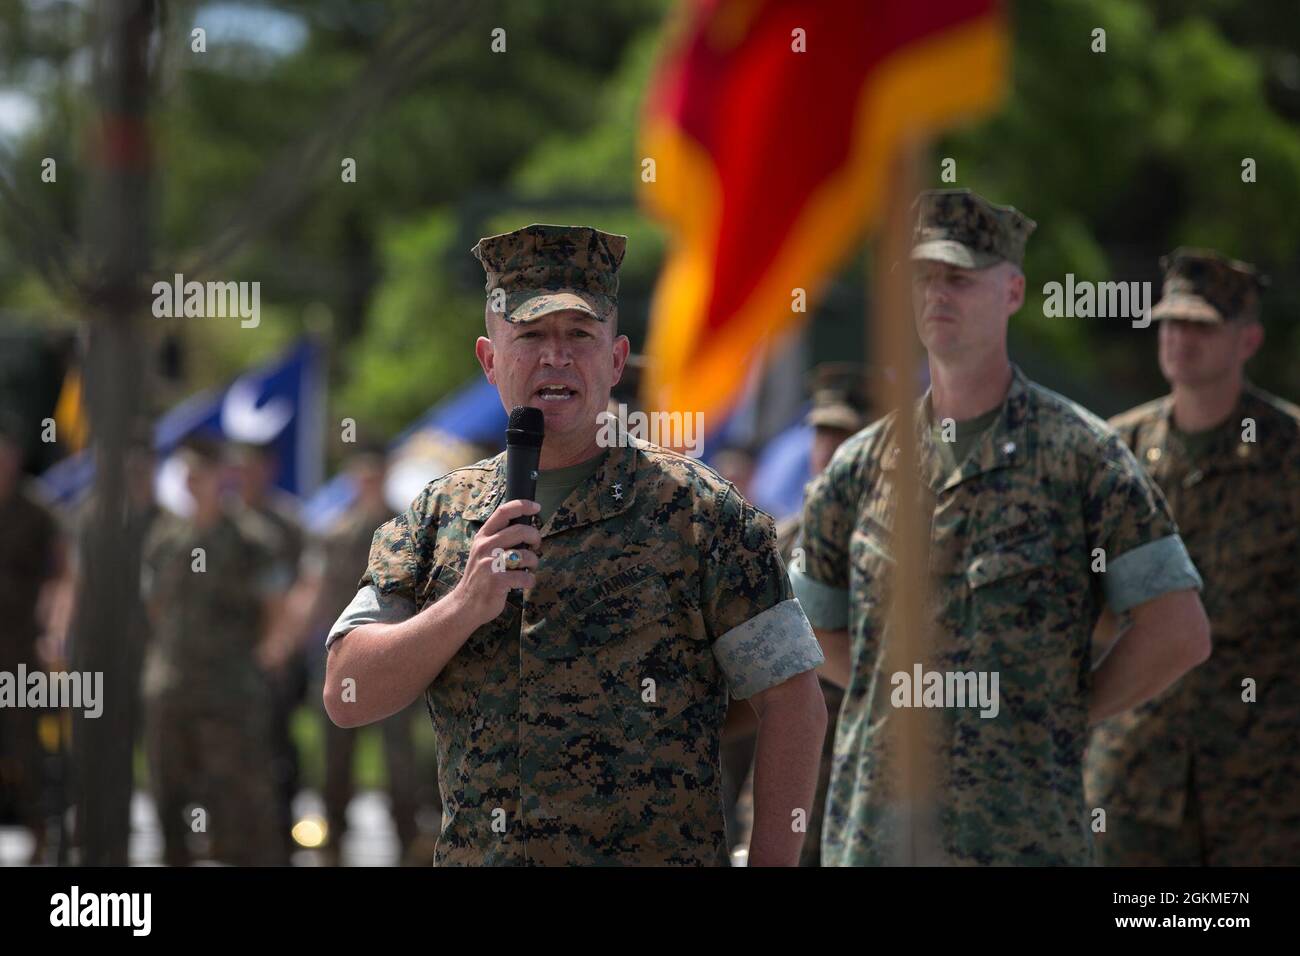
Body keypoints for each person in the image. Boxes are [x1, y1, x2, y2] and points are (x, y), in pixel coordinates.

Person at [324, 222, 827, 866]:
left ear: (615, 360)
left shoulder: (700, 514)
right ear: (489, 360)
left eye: (578, 336)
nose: (555, 358)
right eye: (530, 336)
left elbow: (793, 700)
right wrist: (463, 606)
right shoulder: (436, 516)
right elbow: (346, 694)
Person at [792, 189, 1212, 865]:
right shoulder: (862, 465)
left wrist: (1063, 715)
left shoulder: (1081, 455)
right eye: (924, 278)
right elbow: (813, 626)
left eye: (959, 278)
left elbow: (1178, 631)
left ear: (1012, 291)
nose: (938, 295)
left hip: (1023, 838)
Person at [1086, 248, 1300, 865]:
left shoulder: (1287, 452)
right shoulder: (1113, 450)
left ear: (1248, 339)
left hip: (1262, 781)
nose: (1180, 336)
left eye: (1202, 324)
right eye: (1171, 321)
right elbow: (1073, 594)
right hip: (1133, 773)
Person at [726, 363, 874, 865]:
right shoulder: (778, 541)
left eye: (848, 436)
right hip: (790, 783)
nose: (831, 452)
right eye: (823, 435)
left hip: (875, 780)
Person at [141, 434, 288, 865]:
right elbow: (154, 607)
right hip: (171, 683)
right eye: (187, 472)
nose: (193, 480)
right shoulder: (164, 538)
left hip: (231, 687)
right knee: (168, 792)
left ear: (221, 477)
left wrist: (265, 656)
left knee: (237, 797)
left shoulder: (251, 539)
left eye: (201, 472)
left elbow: (275, 609)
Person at [277, 444, 424, 865]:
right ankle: (334, 840)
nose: (366, 483)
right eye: (359, 476)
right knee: (335, 758)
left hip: (395, 661)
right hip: (345, 666)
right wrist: (292, 645)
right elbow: (316, 593)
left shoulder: (407, 528)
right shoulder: (336, 532)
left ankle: (407, 840)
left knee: (400, 760)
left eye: (373, 475)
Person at [230, 441, 306, 858]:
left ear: (269, 470)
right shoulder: (223, 521)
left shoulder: (286, 522)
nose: (246, 476)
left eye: (254, 468)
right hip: (225, 659)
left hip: (274, 658)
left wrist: (280, 644)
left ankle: (280, 841)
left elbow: (302, 588)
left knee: (276, 751)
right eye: (239, 468)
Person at [0, 410, 65, 863]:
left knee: (28, 748)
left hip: (21, 645)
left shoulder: (37, 511)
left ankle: (43, 834)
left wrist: (53, 634)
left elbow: (62, 578)